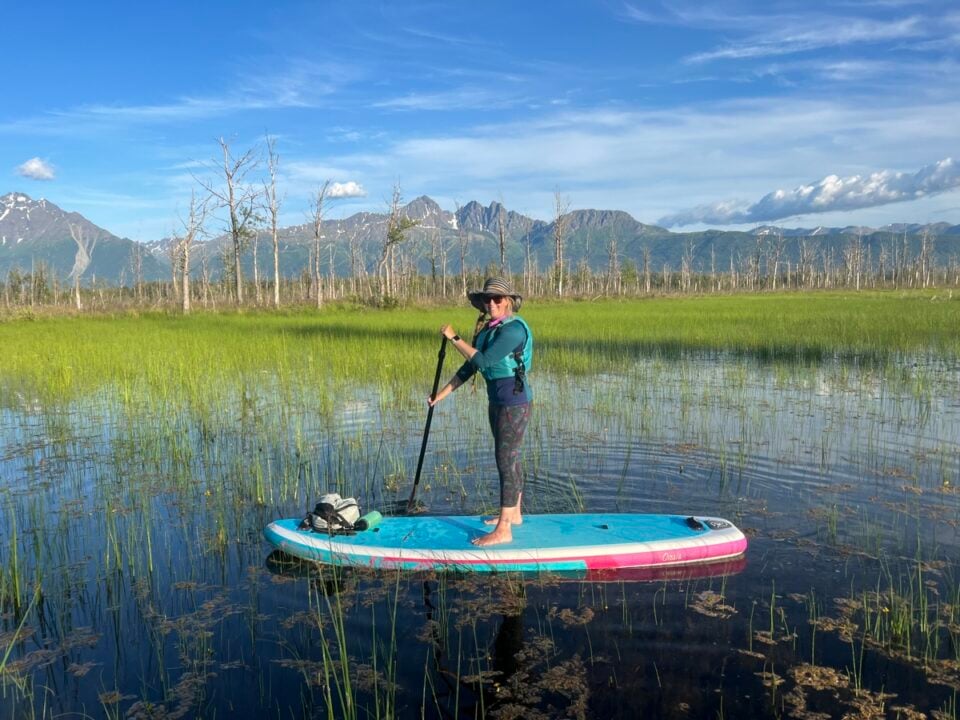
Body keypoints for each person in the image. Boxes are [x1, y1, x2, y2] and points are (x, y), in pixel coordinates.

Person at [428, 276, 533, 546]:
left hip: (514, 404)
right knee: (510, 458)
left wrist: (455, 338)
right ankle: (515, 514)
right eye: (488, 299)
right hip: (497, 402)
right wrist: (440, 395)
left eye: (497, 299)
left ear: (507, 301)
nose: (492, 303)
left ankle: (504, 529)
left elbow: (484, 361)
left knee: (506, 460)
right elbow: (469, 368)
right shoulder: (488, 331)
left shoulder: (514, 330)